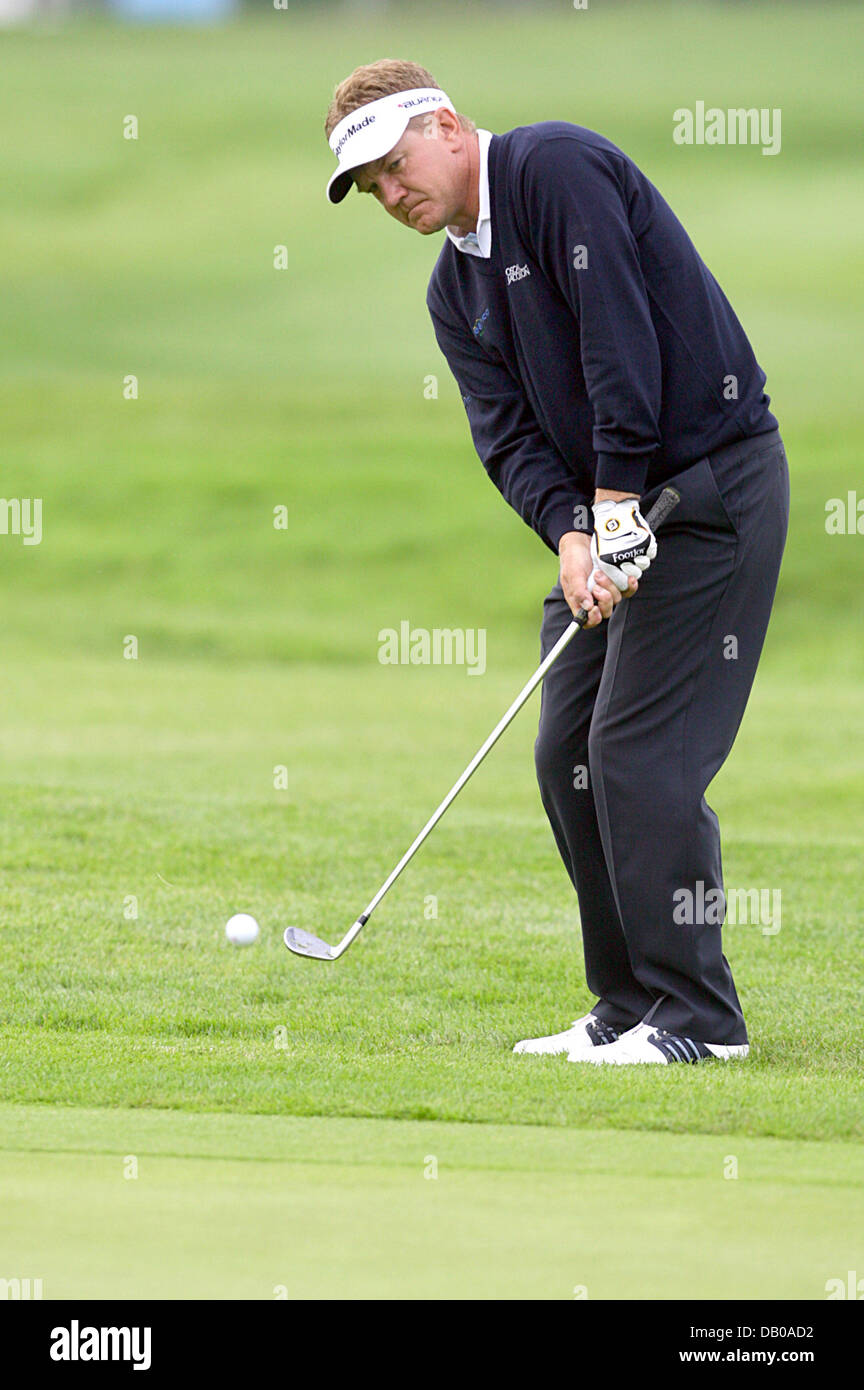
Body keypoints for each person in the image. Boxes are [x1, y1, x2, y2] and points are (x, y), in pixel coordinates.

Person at [323, 60, 789, 1065]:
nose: (391, 195)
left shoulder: (552, 167)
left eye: (395, 166)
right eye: (371, 188)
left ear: (444, 125)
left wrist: (617, 497)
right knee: (566, 749)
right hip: (616, 518)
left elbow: (622, 337)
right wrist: (576, 535)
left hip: (710, 493)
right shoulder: (456, 288)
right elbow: (509, 441)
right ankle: (626, 1001)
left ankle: (701, 1020)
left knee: (637, 752)